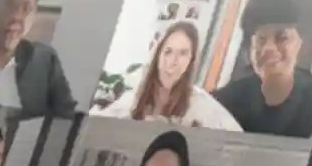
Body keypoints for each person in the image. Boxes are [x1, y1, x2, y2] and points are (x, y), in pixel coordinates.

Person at [212, 0, 312, 138]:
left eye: (282, 37)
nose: (269, 48)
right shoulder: (223, 102)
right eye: (261, 39)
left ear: (300, 42)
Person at [101, 21, 241, 131]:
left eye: (182, 53)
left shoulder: (200, 103)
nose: (172, 61)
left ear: (191, 61)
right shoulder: (136, 95)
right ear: (158, 55)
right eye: (168, 52)